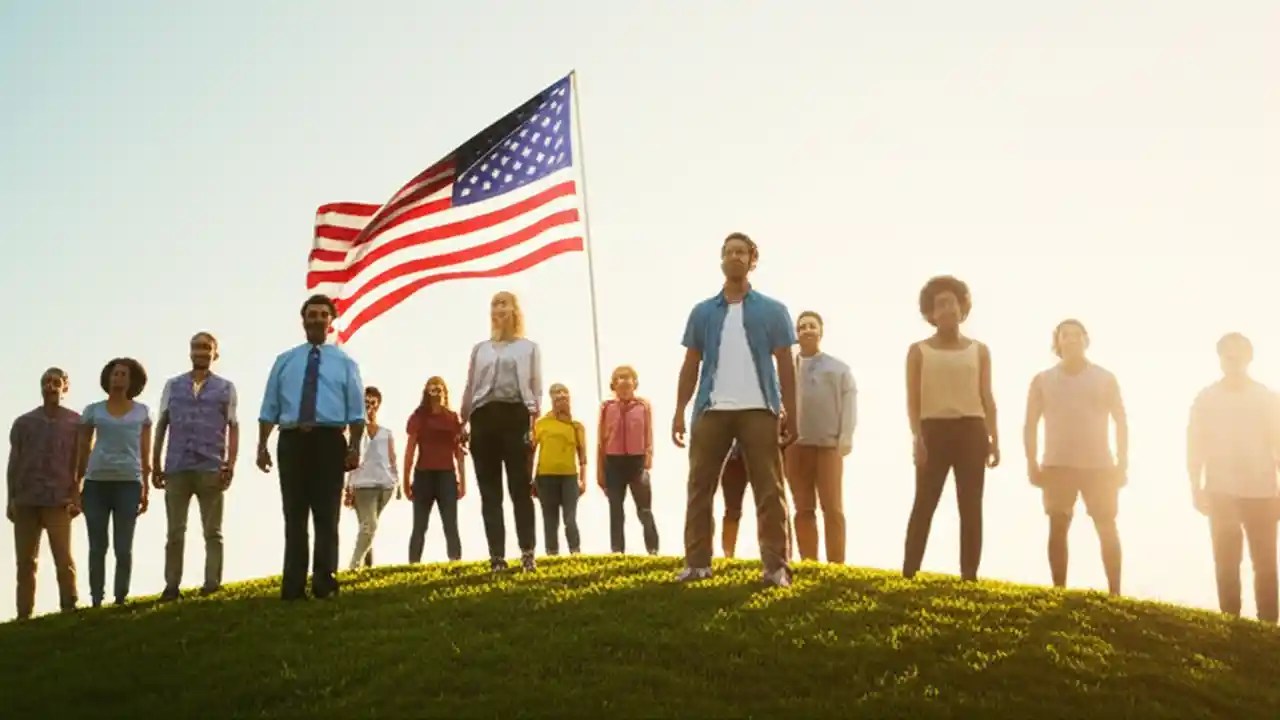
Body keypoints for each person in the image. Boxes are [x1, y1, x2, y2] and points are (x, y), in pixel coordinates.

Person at [672, 231, 797, 587]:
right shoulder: (702, 312)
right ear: (722, 260)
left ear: (752, 260)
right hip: (712, 409)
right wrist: (680, 410)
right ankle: (697, 563)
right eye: (729, 252)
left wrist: (792, 411)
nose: (735, 257)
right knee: (699, 485)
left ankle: (776, 568)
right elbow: (690, 363)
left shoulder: (773, 311)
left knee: (769, 488)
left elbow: (786, 365)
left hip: (759, 408)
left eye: (742, 252)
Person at [257, 294, 365, 601]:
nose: (317, 319)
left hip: (329, 441)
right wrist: (262, 444)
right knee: (294, 514)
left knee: (326, 514)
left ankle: (324, 581)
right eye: (311, 314)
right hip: (292, 440)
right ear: (303, 320)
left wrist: (354, 447)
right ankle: (292, 585)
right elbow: (270, 406)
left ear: (330, 322)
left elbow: (356, 410)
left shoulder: (345, 363)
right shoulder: (285, 361)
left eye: (323, 315)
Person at [902, 275, 999, 582]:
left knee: (971, 505)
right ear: (930, 313)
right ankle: (909, 571)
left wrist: (994, 438)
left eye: (951, 302)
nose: (946, 309)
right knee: (924, 502)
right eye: (939, 304)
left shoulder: (979, 350)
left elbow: (987, 396)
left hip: (972, 430)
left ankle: (969, 575)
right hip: (933, 430)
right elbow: (913, 400)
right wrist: (917, 438)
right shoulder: (918, 351)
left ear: (962, 307)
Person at [1023, 319, 1127, 595]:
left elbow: (1121, 420)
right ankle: (1059, 590)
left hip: (1100, 465)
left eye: (1076, 335)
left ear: (1086, 340)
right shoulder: (1043, 380)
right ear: (1057, 343)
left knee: (1106, 524)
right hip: (1057, 464)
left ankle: (1115, 591)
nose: (1071, 340)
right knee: (1058, 524)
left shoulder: (1105, 378)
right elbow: (1030, 423)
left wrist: (1123, 462)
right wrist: (1031, 462)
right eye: (1065, 335)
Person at [1187, 332, 1279, 623]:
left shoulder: (1266, 398)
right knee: (1226, 560)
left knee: (1264, 562)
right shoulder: (1206, 398)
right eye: (1228, 353)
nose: (1233, 358)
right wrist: (1195, 486)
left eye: (1239, 353)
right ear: (1220, 359)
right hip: (1220, 488)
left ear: (1249, 357)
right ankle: (1231, 621)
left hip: (1262, 489)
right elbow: (1195, 443)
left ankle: (1269, 625)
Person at [459, 290, 542, 573]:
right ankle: (497, 556)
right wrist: (463, 420)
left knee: (519, 488)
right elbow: (470, 385)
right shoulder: (480, 349)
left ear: (515, 310)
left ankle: (527, 552)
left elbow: (535, 387)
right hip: (483, 418)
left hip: (515, 415)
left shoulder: (528, 348)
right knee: (490, 492)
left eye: (504, 303)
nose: (498, 308)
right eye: (494, 303)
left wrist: (532, 424)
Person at [153, 332, 239, 600]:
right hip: (177, 465)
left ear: (215, 354)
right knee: (175, 531)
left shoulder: (226, 388)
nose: (201, 352)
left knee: (212, 531)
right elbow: (162, 424)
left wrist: (230, 463)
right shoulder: (173, 385)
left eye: (206, 348)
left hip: (211, 465)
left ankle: (212, 582)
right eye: (197, 347)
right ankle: (171, 586)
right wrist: (155, 463)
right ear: (190, 352)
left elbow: (233, 426)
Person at [77, 357, 152, 607]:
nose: (118, 378)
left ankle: (120, 597)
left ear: (131, 380)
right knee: (97, 545)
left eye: (123, 374)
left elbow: (145, 451)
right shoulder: (93, 410)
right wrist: (76, 483)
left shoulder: (141, 412)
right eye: (114, 374)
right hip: (96, 483)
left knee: (123, 545)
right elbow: (82, 449)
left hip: (128, 483)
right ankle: (96, 598)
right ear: (107, 378)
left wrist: (146, 486)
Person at [7, 367, 81, 619]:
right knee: (26, 562)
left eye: (56, 382)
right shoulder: (24, 422)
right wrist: (10, 499)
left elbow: (80, 463)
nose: (51, 386)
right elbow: (13, 462)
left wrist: (77, 495)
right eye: (46, 382)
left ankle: (69, 605)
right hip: (26, 499)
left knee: (63, 558)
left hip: (59, 500)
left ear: (65, 387)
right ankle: (24, 614)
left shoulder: (75, 422)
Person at [786, 310, 856, 563]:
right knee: (803, 508)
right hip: (795, 447)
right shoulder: (785, 369)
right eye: (802, 327)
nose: (807, 330)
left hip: (828, 446)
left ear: (821, 331)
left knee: (832, 507)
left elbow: (850, 402)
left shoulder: (837, 369)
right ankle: (809, 561)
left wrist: (846, 436)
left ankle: (836, 563)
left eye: (812, 326)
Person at [598, 365, 659, 555]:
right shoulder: (607, 407)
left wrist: (648, 458)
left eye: (628, 382)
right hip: (613, 463)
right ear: (614, 386)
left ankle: (653, 549)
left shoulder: (643, 406)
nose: (624, 387)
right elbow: (601, 441)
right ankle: (617, 551)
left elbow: (648, 434)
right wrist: (600, 472)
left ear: (634, 385)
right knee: (616, 510)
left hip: (636, 462)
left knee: (644, 510)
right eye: (620, 382)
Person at [404, 376, 466, 563]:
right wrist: (406, 480)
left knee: (450, 524)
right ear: (427, 392)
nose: (436, 392)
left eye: (439, 389)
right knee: (419, 525)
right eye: (432, 389)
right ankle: (413, 564)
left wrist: (463, 481)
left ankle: (455, 561)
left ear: (445, 392)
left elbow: (459, 452)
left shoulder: (452, 418)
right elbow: (410, 449)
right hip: (423, 475)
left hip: (446, 475)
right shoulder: (418, 417)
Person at [345, 386, 398, 570]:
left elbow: (392, 458)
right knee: (370, 525)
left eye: (373, 402)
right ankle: (354, 565)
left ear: (378, 405)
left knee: (368, 527)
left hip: (385, 485)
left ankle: (368, 567)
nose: (370, 406)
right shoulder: (355, 431)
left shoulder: (386, 432)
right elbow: (350, 460)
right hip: (362, 484)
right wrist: (348, 487)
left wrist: (396, 481)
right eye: (366, 402)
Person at [533, 383, 587, 555]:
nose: (561, 400)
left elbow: (583, 456)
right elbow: (531, 451)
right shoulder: (542, 423)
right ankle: (552, 553)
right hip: (546, 476)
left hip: (569, 477)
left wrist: (582, 480)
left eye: (565, 397)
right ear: (552, 400)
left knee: (570, 518)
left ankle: (575, 551)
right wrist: (530, 478)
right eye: (557, 397)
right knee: (550, 519)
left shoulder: (576, 426)